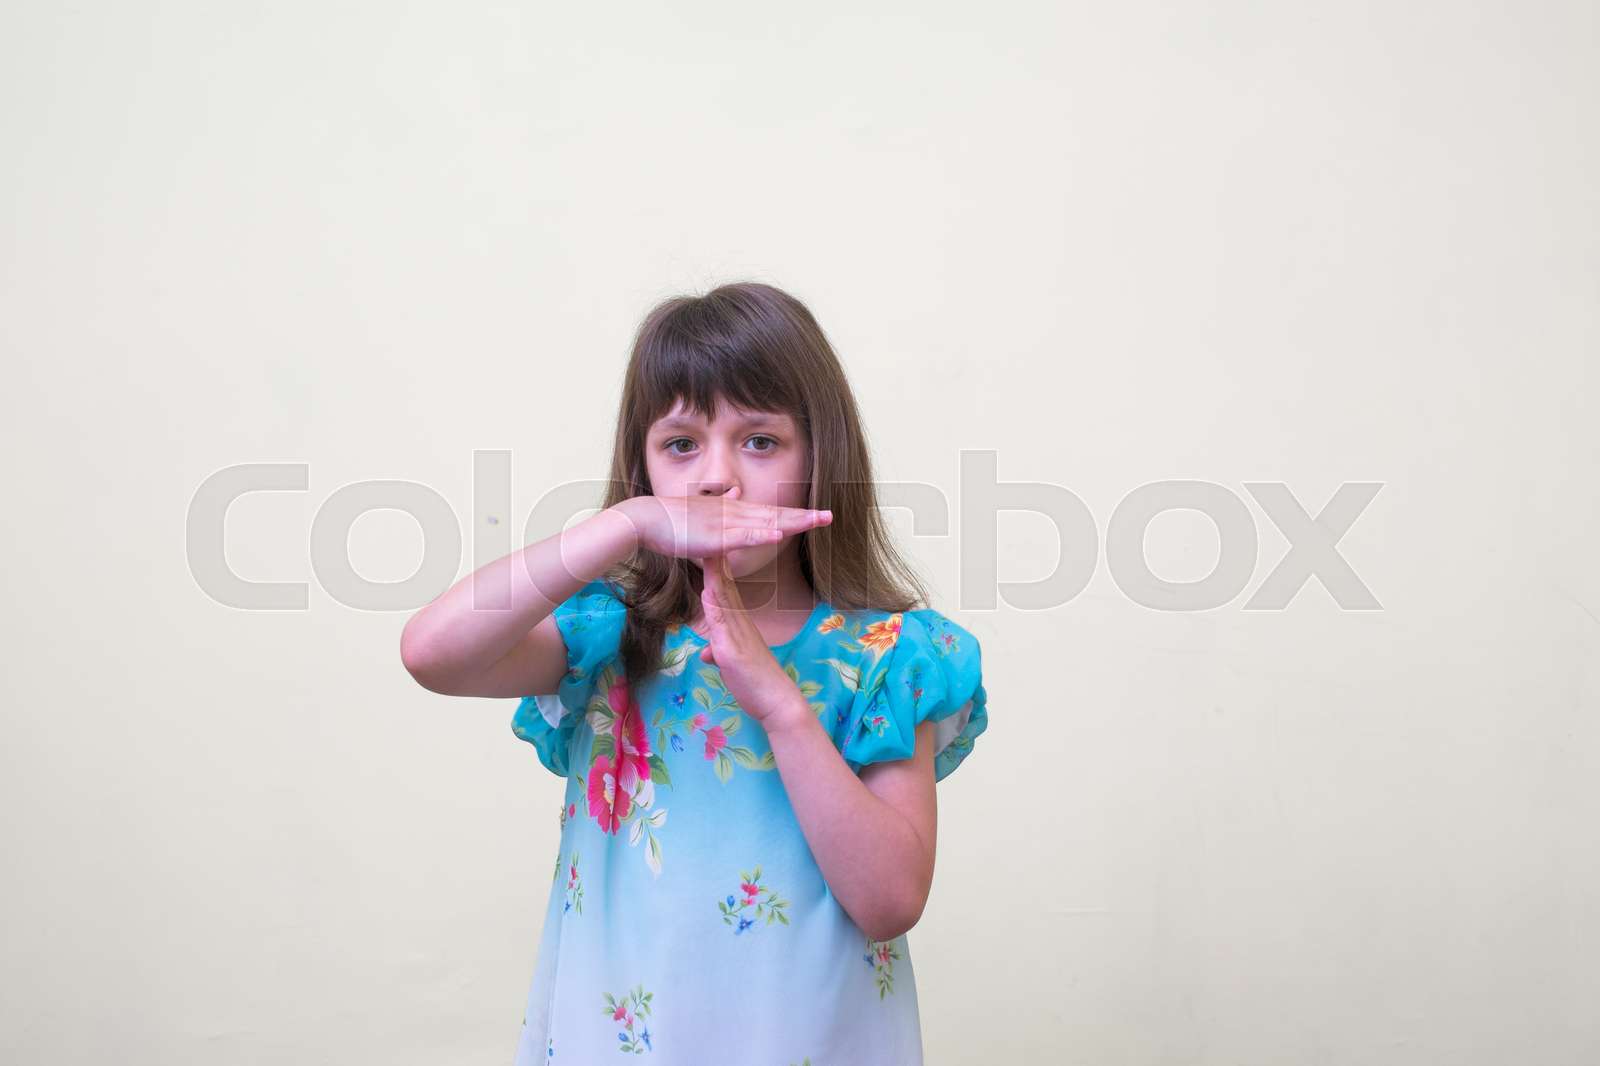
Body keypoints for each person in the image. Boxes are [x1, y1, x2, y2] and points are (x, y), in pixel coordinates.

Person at [400, 281, 989, 1064]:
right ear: (642, 466)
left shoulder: (886, 654)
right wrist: (625, 526)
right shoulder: (610, 633)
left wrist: (781, 707)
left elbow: (889, 901)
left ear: (821, 457)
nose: (718, 478)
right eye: (681, 444)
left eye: (761, 441)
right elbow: (431, 652)